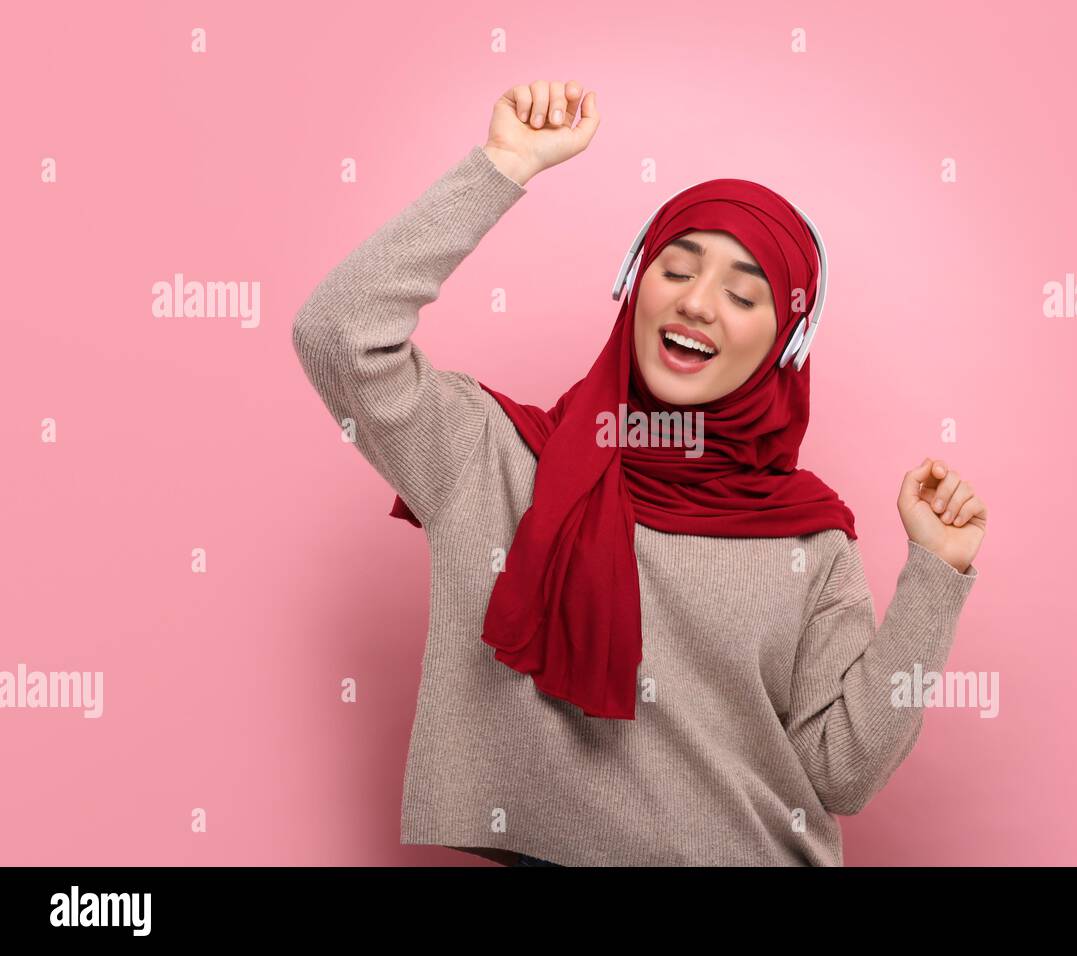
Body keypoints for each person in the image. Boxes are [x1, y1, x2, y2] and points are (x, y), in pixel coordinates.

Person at [292, 79, 988, 867]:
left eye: (742, 294)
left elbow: (844, 772)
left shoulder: (808, 538)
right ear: (633, 286)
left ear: (786, 343)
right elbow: (338, 334)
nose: (697, 303)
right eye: (676, 268)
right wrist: (501, 167)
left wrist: (936, 576)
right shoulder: (497, 458)